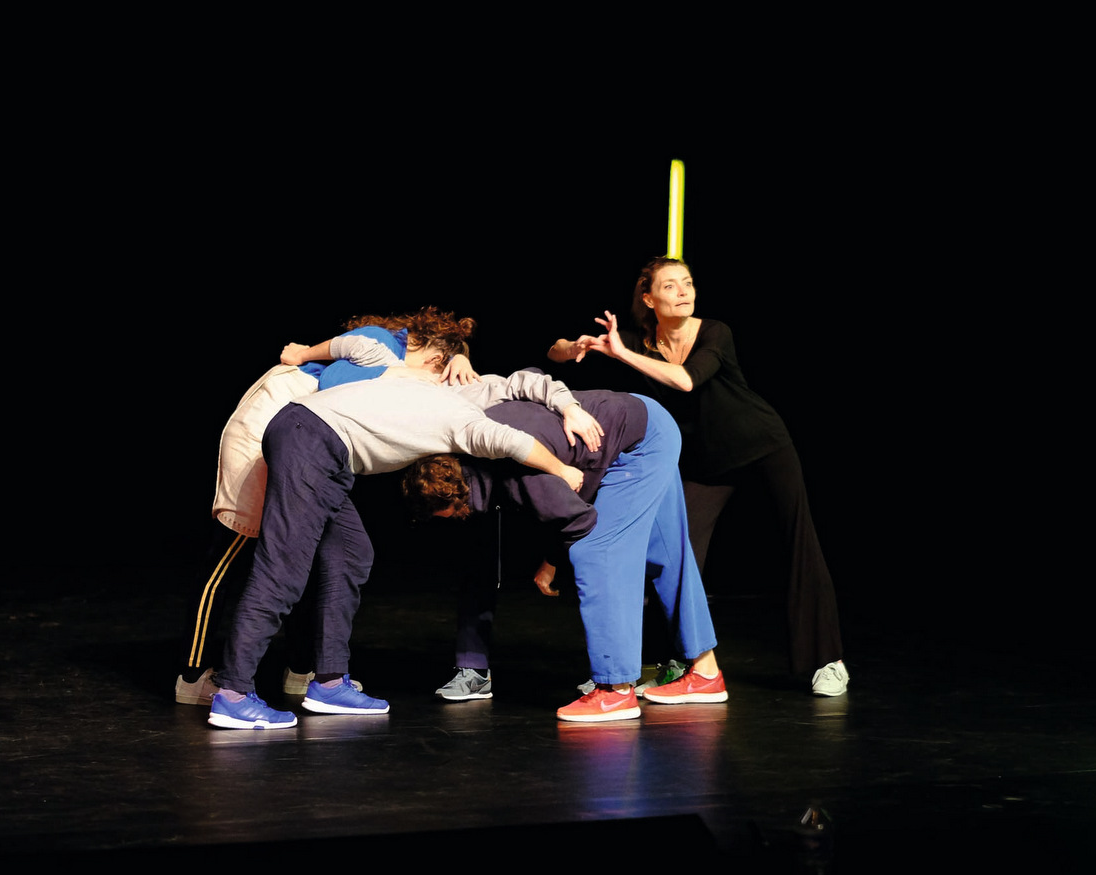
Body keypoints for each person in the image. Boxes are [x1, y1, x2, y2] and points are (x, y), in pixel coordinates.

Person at [206, 369, 601, 729]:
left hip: (319, 446)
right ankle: (233, 694)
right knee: (283, 569)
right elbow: (511, 440)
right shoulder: (464, 420)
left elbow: (520, 382)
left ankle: (329, 682)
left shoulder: (430, 393)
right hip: (312, 439)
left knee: (351, 554)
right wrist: (562, 469)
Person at [548, 257, 849, 697]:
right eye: (670, 286)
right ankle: (674, 662)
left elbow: (687, 380)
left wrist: (623, 354)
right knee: (672, 555)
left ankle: (828, 660)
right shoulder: (634, 340)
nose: (683, 292)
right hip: (704, 463)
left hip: (761, 447)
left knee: (798, 543)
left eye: (687, 283)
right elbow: (554, 351)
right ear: (649, 298)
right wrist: (579, 346)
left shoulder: (715, 332)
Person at [176, 308, 478, 707]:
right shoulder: (383, 345)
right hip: (265, 430)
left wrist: (461, 359)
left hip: (299, 437)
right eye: (439, 370)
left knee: (320, 553)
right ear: (435, 355)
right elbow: (334, 383)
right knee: (232, 555)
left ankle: (304, 670)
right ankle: (194, 676)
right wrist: (405, 374)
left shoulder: (395, 352)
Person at [401, 388, 726, 722]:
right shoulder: (472, 435)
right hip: (646, 417)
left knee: (596, 552)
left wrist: (554, 560)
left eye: (448, 515)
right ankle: (706, 673)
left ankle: (614, 690)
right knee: (668, 553)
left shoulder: (519, 473)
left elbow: (580, 520)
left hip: (638, 442)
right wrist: (551, 560)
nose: (454, 520)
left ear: (458, 498)